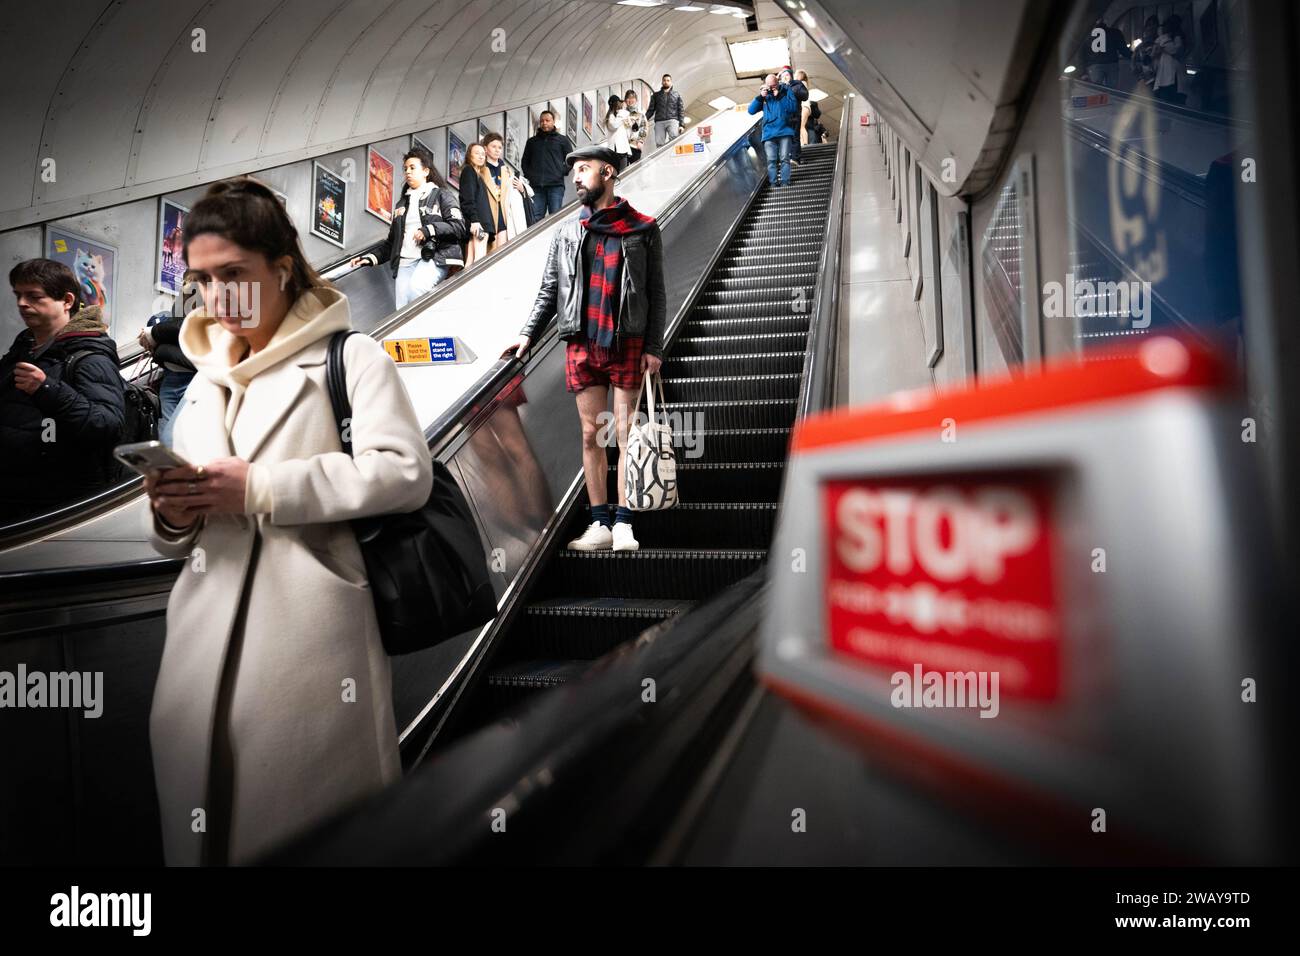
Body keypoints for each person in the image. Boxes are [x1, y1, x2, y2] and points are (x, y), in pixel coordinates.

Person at [141, 176, 432, 866]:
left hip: (310, 649)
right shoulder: (206, 381)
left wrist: (266, 487)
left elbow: (404, 473)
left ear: (280, 266)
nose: (218, 298)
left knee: (307, 833)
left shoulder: (348, 357)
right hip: (199, 643)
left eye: (234, 274)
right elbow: (182, 519)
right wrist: (172, 514)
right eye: (203, 280)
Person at [508, 146, 665, 553]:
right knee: (591, 434)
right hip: (581, 340)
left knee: (626, 432)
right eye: (573, 172)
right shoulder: (565, 231)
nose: (576, 178)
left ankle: (626, 523)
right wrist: (527, 334)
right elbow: (549, 291)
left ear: (608, 172)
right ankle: (600, 524)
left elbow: (656, 293)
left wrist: (654, 346)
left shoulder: (642, 228)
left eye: (583, 170)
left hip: (627, 340)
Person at [1, 259, 126, 523]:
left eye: (34, 296)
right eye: (18, 295)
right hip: (14, 490)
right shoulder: (23, 347)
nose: (22, 303)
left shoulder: (90, 357)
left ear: (67, 301)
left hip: (56, 504)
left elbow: (107, 424)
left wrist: (46, 388)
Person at [350, 145, 467, 308]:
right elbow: (392, 243)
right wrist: (368, 258)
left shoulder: (441, 195)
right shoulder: (402, 204)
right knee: (402, 311)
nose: (408, 172)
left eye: (413, 168)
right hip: (405, 261)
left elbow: (459, 226)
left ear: (426, 171)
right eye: (406, 169)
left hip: (434, 256)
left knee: (417, 290)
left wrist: (429, 230)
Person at [139, 270, 201, 446]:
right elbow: (178, 331)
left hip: (194, 378)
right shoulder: (181, 301)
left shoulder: (212, 298)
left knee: (172, 438)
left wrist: (153, 334)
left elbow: (190, 329)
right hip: (172, 377)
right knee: (166, 438)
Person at [748, 72, 802, 188]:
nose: (772, 88)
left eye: (774, 86)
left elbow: (793, 108)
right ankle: (773, 183)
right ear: (765, 85)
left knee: (784, 158)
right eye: (769, 86)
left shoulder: (787, 91)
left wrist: (780, 97)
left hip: (785, 131)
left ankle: (785, 182)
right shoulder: (765, 95)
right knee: (771, 160)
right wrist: (760, 97)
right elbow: (751, 111)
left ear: (778, 82)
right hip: (769, 133)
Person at [522, 110, 574, 221]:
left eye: (547, 120)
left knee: (555, 218)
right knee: (535, 219)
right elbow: (524, 162)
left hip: (555, 186)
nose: (544, 123)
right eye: (542, 121)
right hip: (536, 187)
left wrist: (561, 171)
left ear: (553, 122)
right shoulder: (532, 142)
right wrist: (530, 176)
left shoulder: (562, 140)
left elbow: (571, 158)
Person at [482, 132, 533, 246]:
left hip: (504, 213)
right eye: (493, 146)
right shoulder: (481, 169)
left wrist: (521, 188)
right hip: (487, 213)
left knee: (501, 248)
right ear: (485, 148)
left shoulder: (507, 170)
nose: (497, 150)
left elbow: (518, 192)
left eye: (499, 147)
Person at [460, 142, 505, 265]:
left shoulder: (477, 174)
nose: (481, 156)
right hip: (479, 223)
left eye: (483, 154)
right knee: (478, 262)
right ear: (469, 156)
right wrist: (474, 221)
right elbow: (467, 198)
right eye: (477, 153)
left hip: (479, 223)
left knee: (471, 262)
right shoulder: (469, 171)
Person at [1152, 15, 1187, 105]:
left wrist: (1163, 39)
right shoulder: (1164, 39)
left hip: (1173, 78)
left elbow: (1175, 51)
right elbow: (1154, 54)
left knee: (1173, 102)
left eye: (1166, 26)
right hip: (1164, 77)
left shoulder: (1177, 38)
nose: (1164, 28)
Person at [646, 73, 685, 148]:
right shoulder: (655, 95)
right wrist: (644, 119)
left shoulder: (676, 95)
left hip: (672, 120)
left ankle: (674, 158)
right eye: (664, 80)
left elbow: (681, 110)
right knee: (659, 143)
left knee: (674, 140)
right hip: (659, 122)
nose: (666, 82)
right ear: (662, 82)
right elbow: (651, 110)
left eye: (668, 80)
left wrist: (681, 125)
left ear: (671, 82)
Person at [781, 67, 809, 165]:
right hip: (783, 117)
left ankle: (795, 158)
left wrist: (792, 89)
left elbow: (805, 96)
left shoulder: (797, 84)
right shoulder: (780, 87)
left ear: (791, 76)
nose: (785, 77)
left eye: (787, 75)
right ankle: (788, 158)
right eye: (783, 76)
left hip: (795, 115)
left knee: (795, 136)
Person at [605, 94, 633, 172]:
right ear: (616, 104)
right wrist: (623, 112)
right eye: (619, 103)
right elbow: (614, 125)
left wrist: (629, 122)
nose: (621, 104)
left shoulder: (618, 116)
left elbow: (628, 129)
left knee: (623, 172)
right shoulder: (611, 117)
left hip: (622, 149)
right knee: (619, 173)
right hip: (616, 150)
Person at [624, 89, 647, 163]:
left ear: (636, 100)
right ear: (625, 100)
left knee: (635, 168)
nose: (630, 100)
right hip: (623, 146)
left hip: (635, 145)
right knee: (623, 170)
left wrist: (641, 141)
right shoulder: (622, 113)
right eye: (628, 98)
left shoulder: (640, 114)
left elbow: (644, 127)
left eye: (632, 98)